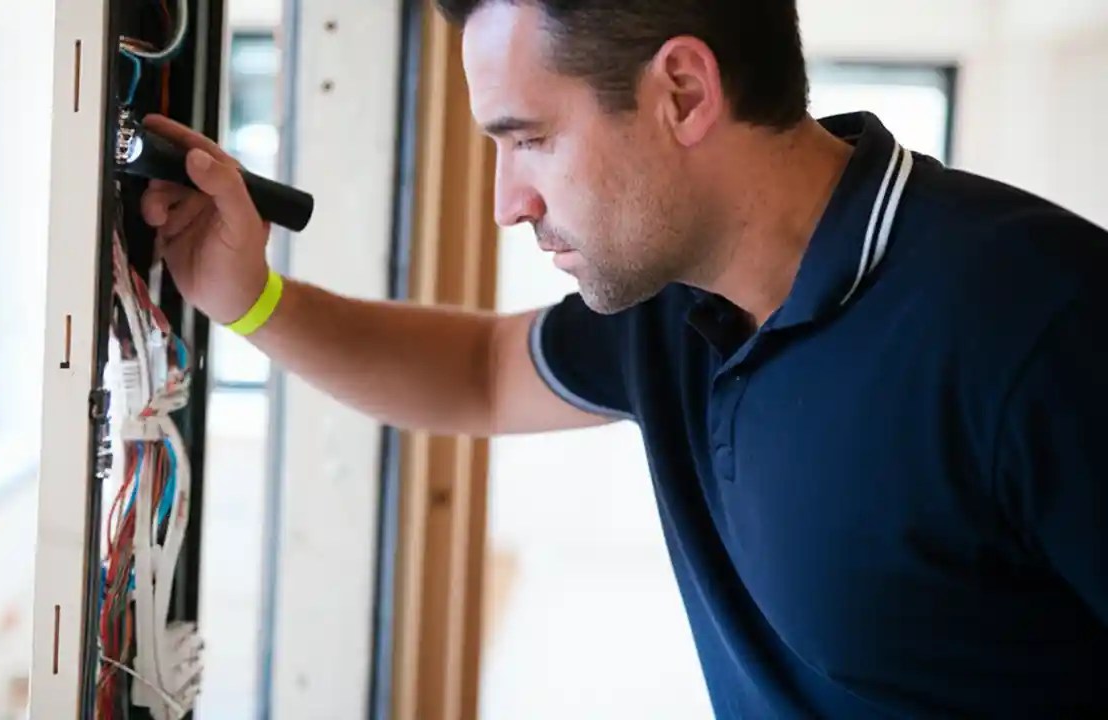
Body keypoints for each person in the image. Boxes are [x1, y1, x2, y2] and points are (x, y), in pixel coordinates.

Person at [140, 0, 1108, 715]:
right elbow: (478, 372)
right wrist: (249, 297)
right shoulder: (678, 299)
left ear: (680, 92)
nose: (506, 202)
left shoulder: (1042, 322)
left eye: (530, 139)